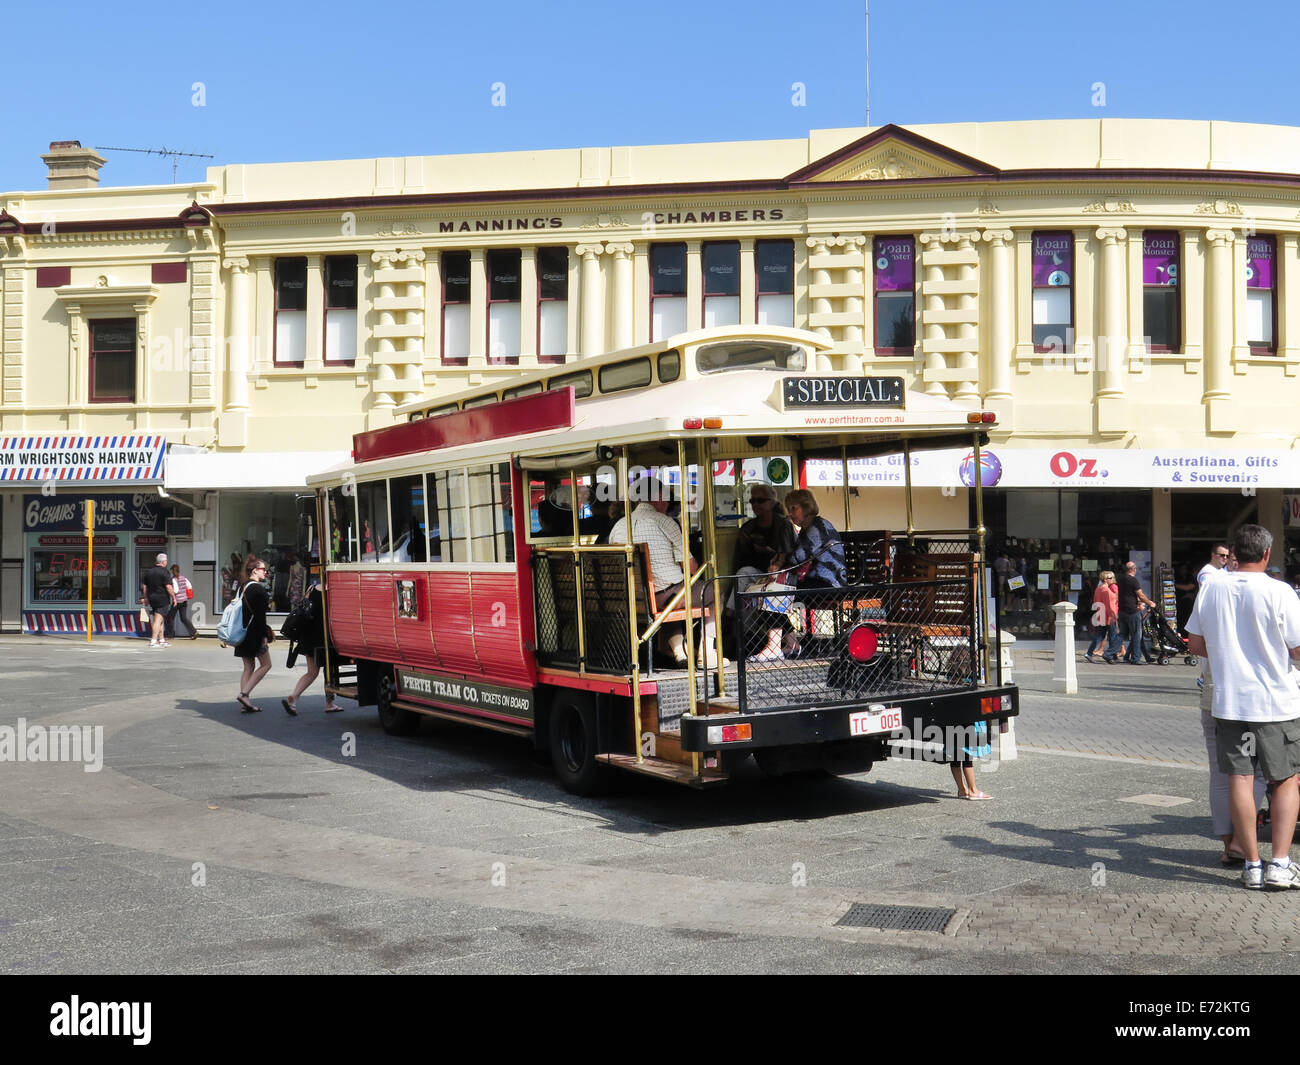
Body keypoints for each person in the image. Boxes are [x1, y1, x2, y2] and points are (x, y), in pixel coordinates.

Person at [1186, 524, 1300, 890]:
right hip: (1275, 703)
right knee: (1284, 780)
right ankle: (1279, 863)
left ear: (1235, 551)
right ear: (1266, 554)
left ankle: (1251, 864)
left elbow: (1195, 645)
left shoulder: (1212, 587)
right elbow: (1297, 649)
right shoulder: (1280, 591)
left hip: (1229, 702)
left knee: (1239, 778)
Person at [609, 475, 720, 667]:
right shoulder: (665, 522)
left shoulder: (618, 526)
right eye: (667, 496)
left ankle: (679, 653)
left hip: (633, 599)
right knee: (713, 590)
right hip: (665, 598)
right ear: (657, 496)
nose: (668, 502)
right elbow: (691, 568)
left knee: (673, 592)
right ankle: (707, 651)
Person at [768, 489, 845, 657]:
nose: (790, 513)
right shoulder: (807, 528)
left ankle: (778, 645)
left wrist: (780, 562)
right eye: (788, 509)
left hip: (829, 583)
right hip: (815, 581)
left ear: (806, 506)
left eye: (793, 508)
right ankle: (789, 643)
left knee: (774, 594)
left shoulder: (818, 527)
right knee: (772, 593)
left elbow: (798, 558)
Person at [282, 579, 341, 715]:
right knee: (329, 671)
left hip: (308, 637)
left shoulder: (311, 588)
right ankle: (329, 703)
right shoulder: (334, 591)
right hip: (325, 637)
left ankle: (294, 697)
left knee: (311, 672)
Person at [232, 556, 275, 714]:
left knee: (248, 666)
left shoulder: (242, 587)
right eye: (263, 569)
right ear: (255, 570)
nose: (266, 572)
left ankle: (245, 702)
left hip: (241, 632)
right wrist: (264, 636)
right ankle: (244, 695)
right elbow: (260, 616)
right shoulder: (258, 589)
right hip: (254, 634)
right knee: (266, 665)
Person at [1116, 560, 1156, 664]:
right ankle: (1136, 658)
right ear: (1134, 569)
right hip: (1132, 611)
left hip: (1122, 610)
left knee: (1129, 635)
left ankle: (1142, 657)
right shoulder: (1133, 580)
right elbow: (1140, 595)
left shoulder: (1120, 579)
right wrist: (1149, 603)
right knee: (1137, 635)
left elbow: (1129, 595)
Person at [139, 552, 175, 648]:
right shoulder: (165, 572)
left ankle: (162, 639)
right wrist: (174, 597)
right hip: (162, 598)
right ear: (163, 562)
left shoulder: (149, 572)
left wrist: (145, 597)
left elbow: (144, 586)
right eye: (166, 561)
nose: (166, 562)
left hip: (152, 598)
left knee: (161, 618)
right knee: (158, 620)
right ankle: (154, 640)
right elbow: (168, 586)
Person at [1084, 570, 1119, 663]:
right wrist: (1114, 615)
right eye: (1110, 578)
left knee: (1100, 635)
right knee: (1112, 636)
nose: (1113, 579)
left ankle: (1089, 653)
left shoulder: (1098, 588)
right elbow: (1110, 604)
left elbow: (1095, 602)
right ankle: (1110, 656)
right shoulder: (1106, 590)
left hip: (1100, 614)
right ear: (1105, 579)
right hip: (1109, 615)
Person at [166, 564, 198, 640]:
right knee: (183, 618)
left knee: (170, 618)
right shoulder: (184, 578)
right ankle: (194, 632)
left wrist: (171, 592)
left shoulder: (173, 579)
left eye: (172, 571)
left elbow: (176, 590)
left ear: (173, 571)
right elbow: (189, 586)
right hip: (184, 601)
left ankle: (170, 635)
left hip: (177, 601)